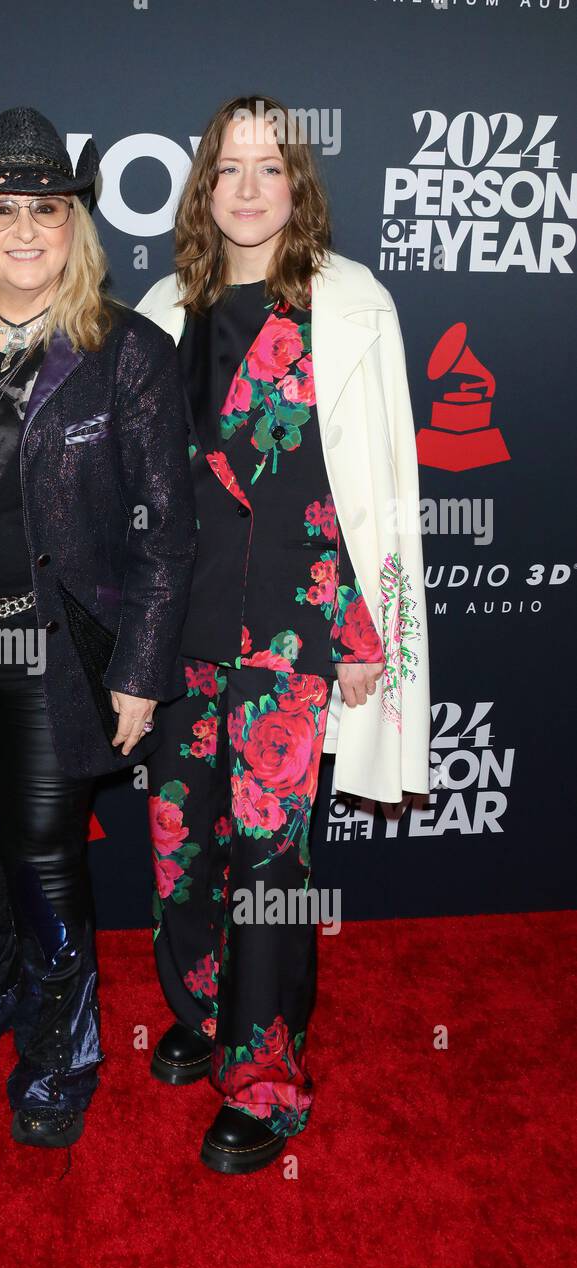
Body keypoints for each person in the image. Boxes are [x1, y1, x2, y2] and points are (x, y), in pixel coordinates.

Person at [136, 94, 430, 1174]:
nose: (249, 188)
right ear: (203, 188)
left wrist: (367, 633)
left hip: (296, 638)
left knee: (269, 862)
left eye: (270, 168)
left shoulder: (349, 304)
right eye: (228, 169)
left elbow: (378, 488)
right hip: (177, 628)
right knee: (177, 845)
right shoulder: (167, 306)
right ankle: (206, 1008)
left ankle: (264, 1078)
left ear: (297, 186)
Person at [0, 107, 196, 1147]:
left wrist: (141, 672)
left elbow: (167, 535)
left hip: (50, 650)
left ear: (75, 225)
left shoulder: (126, 353)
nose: (23, 230)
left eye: (45, 210)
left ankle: (61, 1045)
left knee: (40, 846)